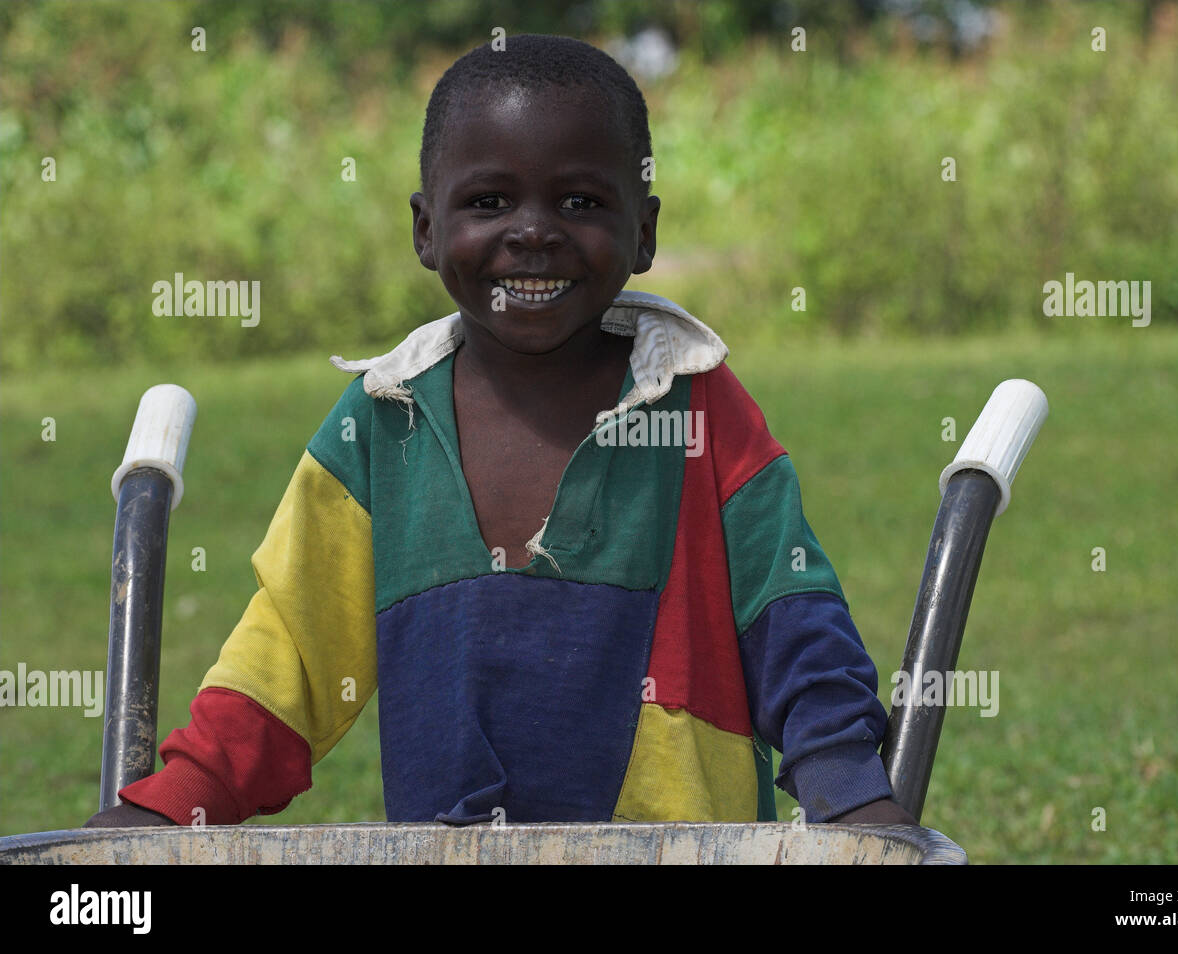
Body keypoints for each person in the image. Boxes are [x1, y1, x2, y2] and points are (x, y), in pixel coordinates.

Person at [85, 34, 916, 830]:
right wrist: (184, 796)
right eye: (489, 202)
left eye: (580, 202)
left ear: (645, 231)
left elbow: (791, 612)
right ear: (424, 229)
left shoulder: (697, 408)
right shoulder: (384, 421)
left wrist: (846, 784)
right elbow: (291, 650)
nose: (533, 232)